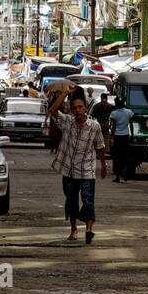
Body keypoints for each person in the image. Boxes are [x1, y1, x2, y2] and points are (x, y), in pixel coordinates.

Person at [46, 83, 107, 244]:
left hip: (87, 171)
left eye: (81, 107)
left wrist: (103, 165)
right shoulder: (68, 122)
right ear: (72, 109)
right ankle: (73, 229)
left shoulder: (94, 126)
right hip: (70, 171)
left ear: (85, 108)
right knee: (71, 201)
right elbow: (52, 111)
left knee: (88, 201)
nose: (78, 111)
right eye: (75, 108)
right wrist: (65, 93)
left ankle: (89, 230)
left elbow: (100, 146)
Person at [108, 96, 135, 182]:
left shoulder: (114, 113)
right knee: (125, 155)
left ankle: (117, 176)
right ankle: (125, 172)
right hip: (125, 136)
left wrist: (111, 138)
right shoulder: (129, 112)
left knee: (117, 156)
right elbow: (131, 124)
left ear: (116, 104)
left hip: (117, 136)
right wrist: (133, 135)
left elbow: (114, 127)